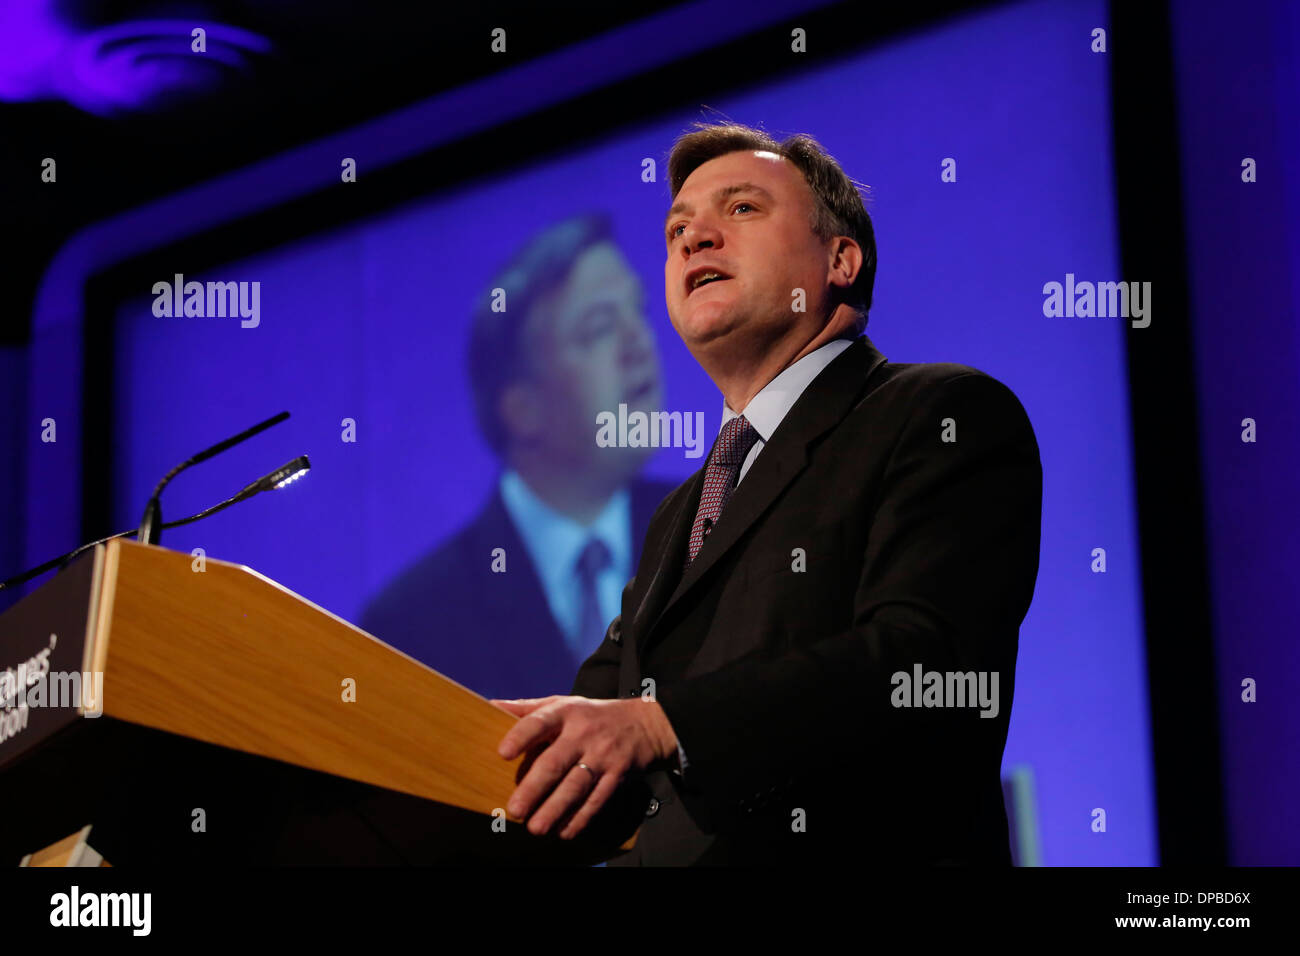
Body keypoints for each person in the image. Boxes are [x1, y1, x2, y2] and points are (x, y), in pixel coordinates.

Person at [490, 122, 1043, 866]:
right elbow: (596, 730)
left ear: (839, 258)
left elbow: (926, 667)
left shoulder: (938, 414)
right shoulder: (675, 515)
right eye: (677, 227)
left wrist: (664, 725)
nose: (694, 239)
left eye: (741, 209)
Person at [360, 214, 676, 702]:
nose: (640, 344)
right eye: (599, 328)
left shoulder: (705, 528)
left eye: (639, 312)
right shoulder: (413, 624)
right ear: (522, 408)